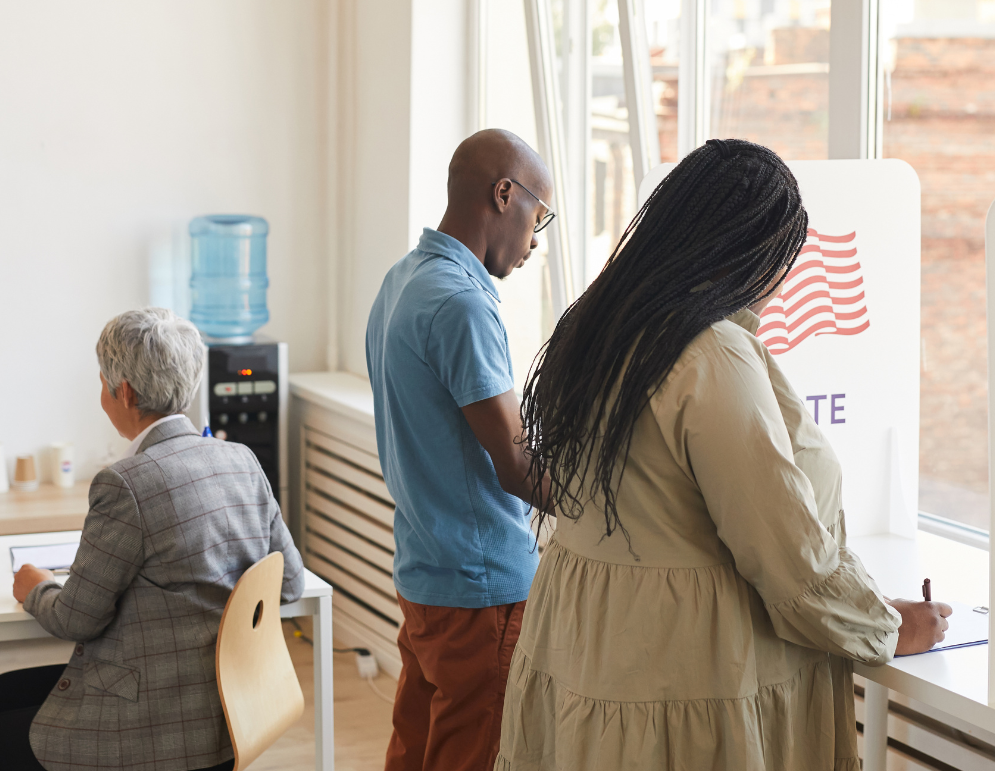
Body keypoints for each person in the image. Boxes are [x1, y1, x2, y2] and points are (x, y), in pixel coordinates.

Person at [497, 140, 952, 771]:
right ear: (751, 252)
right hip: (687, 665)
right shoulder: (710, 353)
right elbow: (784, 549)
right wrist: (887, 627)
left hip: (594, 643)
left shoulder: (598, 326)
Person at [0, 307, 303, 771]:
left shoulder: (126, 483)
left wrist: (36, 588)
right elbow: (289, 585)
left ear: (124, 392)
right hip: (233, 711)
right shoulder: (242, 460)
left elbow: (76, 621)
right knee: (2, 695)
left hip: (155, 726)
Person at [365, 129, 553, 771]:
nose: (536, 241)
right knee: (470, 757)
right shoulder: (464, 304)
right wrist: (620, 491)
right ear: (505, 194)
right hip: (482, 589)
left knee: (416, 752)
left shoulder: (401, 282)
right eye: (539, 216)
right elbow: (517, 465)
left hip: (426, 570)